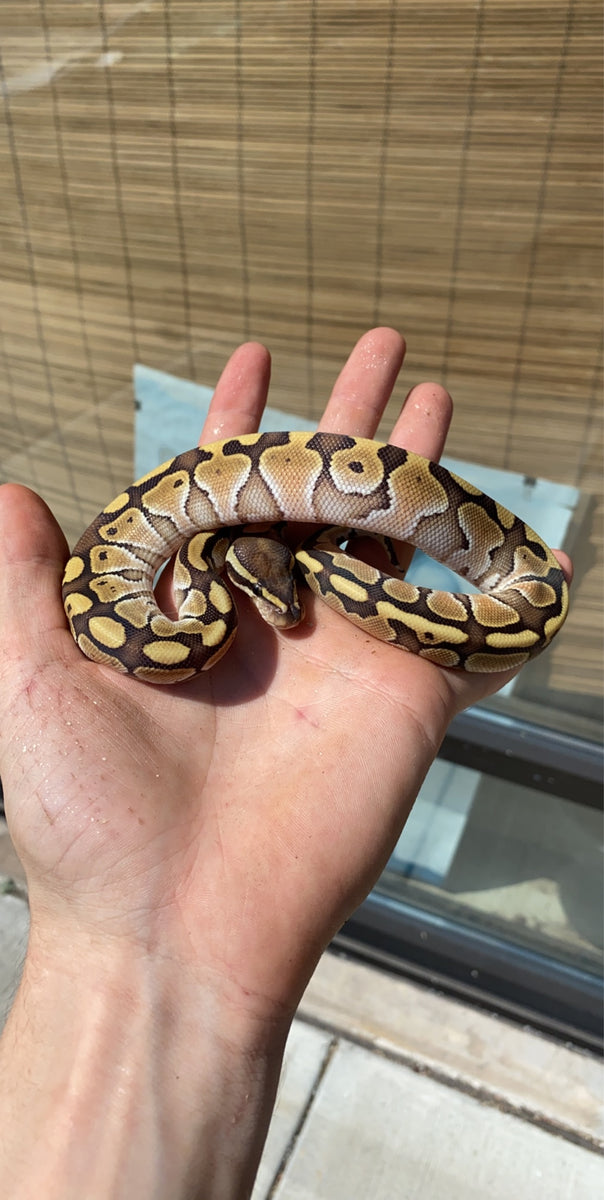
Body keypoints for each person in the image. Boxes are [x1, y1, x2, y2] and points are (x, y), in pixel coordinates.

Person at [0, 329, 571, 1198]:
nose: (286, 614)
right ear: (223, 567)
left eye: (289, 589)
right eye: (271, 597)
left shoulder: (229, 572)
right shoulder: (201, 606)